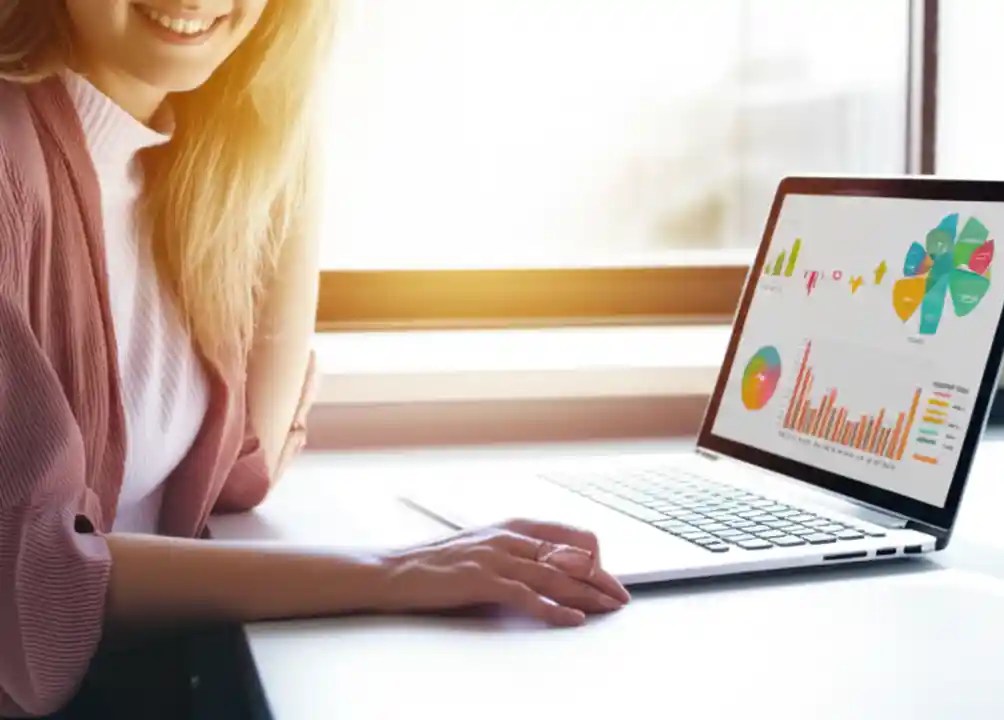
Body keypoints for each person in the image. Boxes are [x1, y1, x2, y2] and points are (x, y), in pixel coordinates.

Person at [0, 1, 629, 716]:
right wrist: (394, 572)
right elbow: (30, 588)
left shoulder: (179, 166)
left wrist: (283, 104)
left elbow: (241, 467)